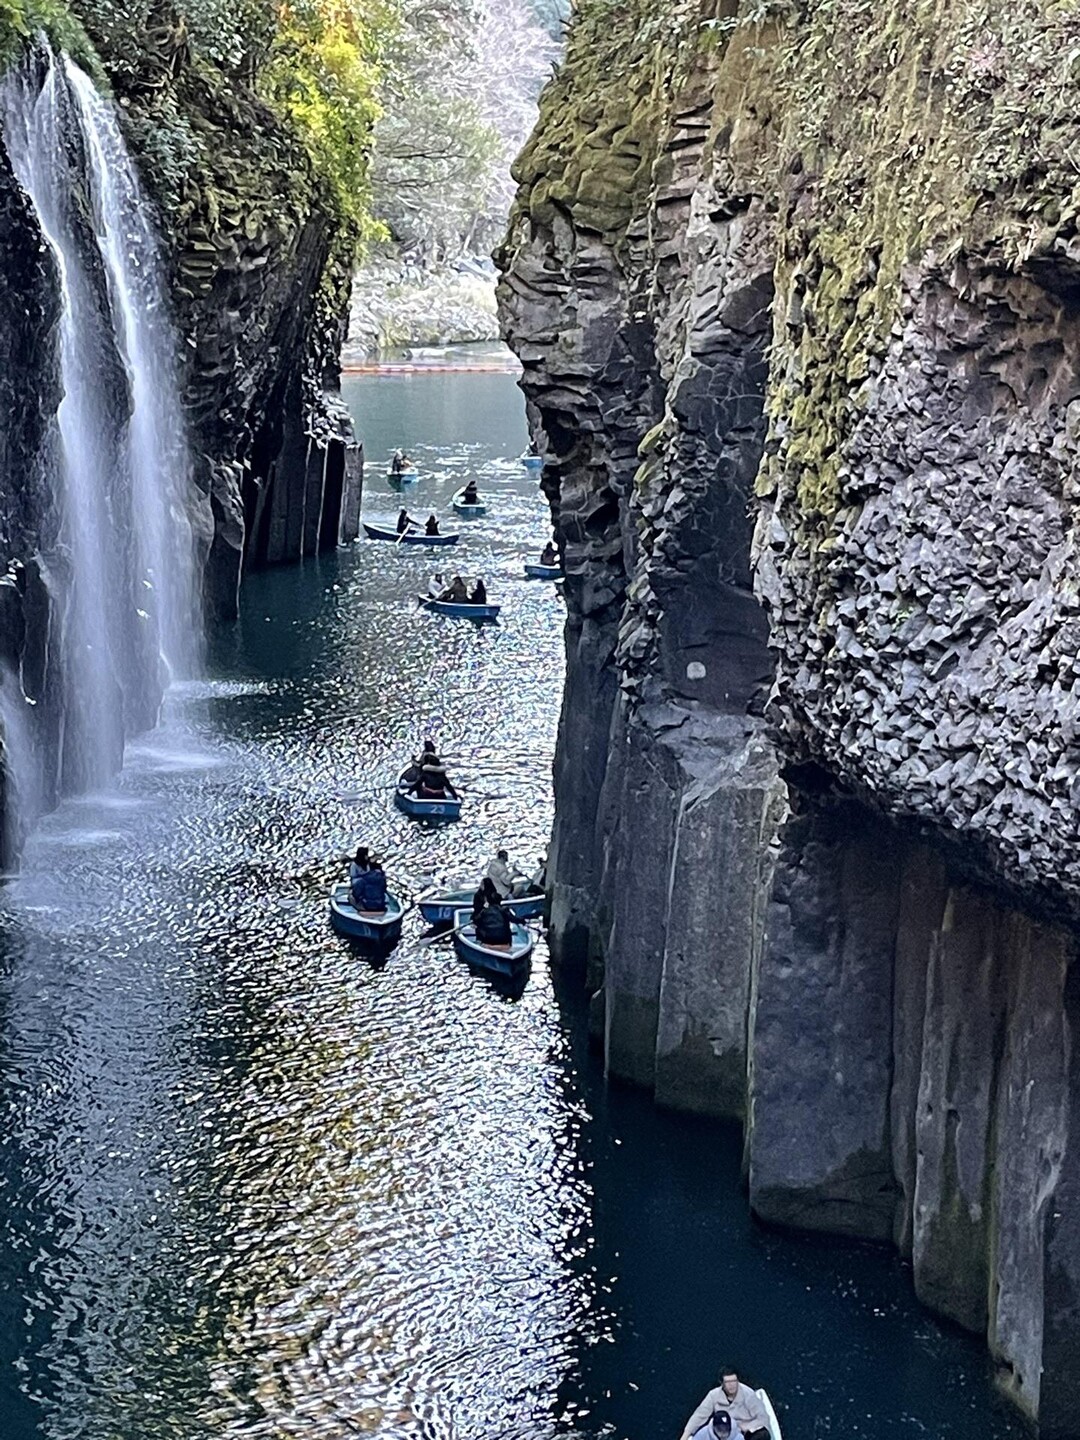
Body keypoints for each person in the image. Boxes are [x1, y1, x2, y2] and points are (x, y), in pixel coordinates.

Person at [679, 1369, 771, 1440]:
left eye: (734, 1381)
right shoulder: (713, 1395)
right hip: (723, 1429)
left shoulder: (748, 1395)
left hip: (745, 1430)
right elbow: (700, 1414)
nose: (731, 1385)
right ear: (722, 1383)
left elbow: (763, 1418)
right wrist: (686, 1434)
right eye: (727, 1382)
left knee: (762, 1435)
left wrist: (745, 1426)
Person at [474, 881, 513, 949]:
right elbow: (514, 919)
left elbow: (476, 920)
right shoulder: (504, 910)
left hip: (488, 939)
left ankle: (480, 942)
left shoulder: (484, 911)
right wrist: (523, 921)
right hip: (503, 939)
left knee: (479, 926)